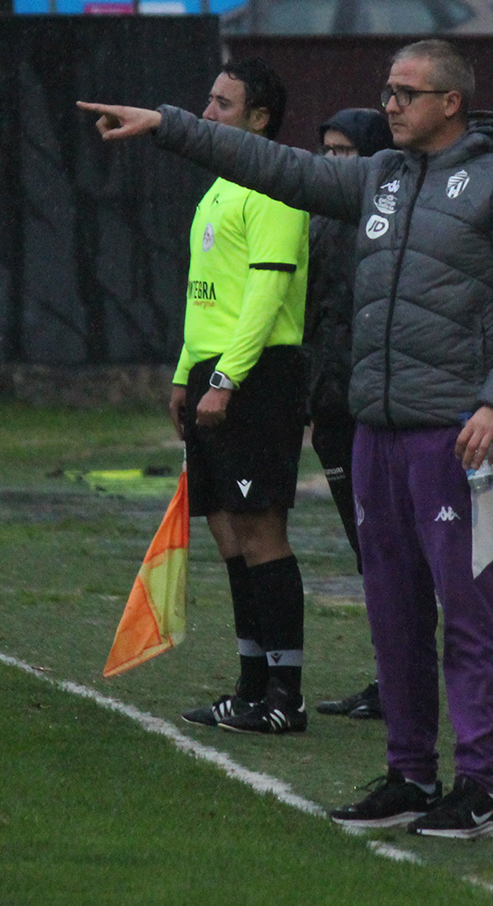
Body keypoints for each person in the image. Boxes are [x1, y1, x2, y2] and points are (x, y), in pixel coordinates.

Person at [80, 39, 493, 840]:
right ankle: (410, 775)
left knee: (470, 615)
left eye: (408, 92)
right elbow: (271, 166)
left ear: (452, 104)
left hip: (459, 436)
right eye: (388, 90)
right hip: (376, 430)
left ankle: (480, 790)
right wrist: (166, 125)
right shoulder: (377, 178)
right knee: (392, 611)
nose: (391, 104)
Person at [166, 57, 314, 736]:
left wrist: (226, 377)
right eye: (208, 98)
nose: (208, 114)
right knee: (227, 531)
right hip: (212, 374)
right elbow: (210, 292)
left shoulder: (274, 185)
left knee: (260, 531)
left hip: (257, 376)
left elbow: (266, 293)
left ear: (260, 118)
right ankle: (251, 686)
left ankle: (287, 694)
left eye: (224, 105)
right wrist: (184, 372)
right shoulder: (221, 187)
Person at [305, 108, 395, 721]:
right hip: (332, 403)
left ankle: (402, 678)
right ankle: (392, 674)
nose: (336, 164)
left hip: (374, 405)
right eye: (328, 152)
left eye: (347, 152)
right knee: (365, 544)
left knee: (387, 547)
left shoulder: (385, 222)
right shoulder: (318, 218)